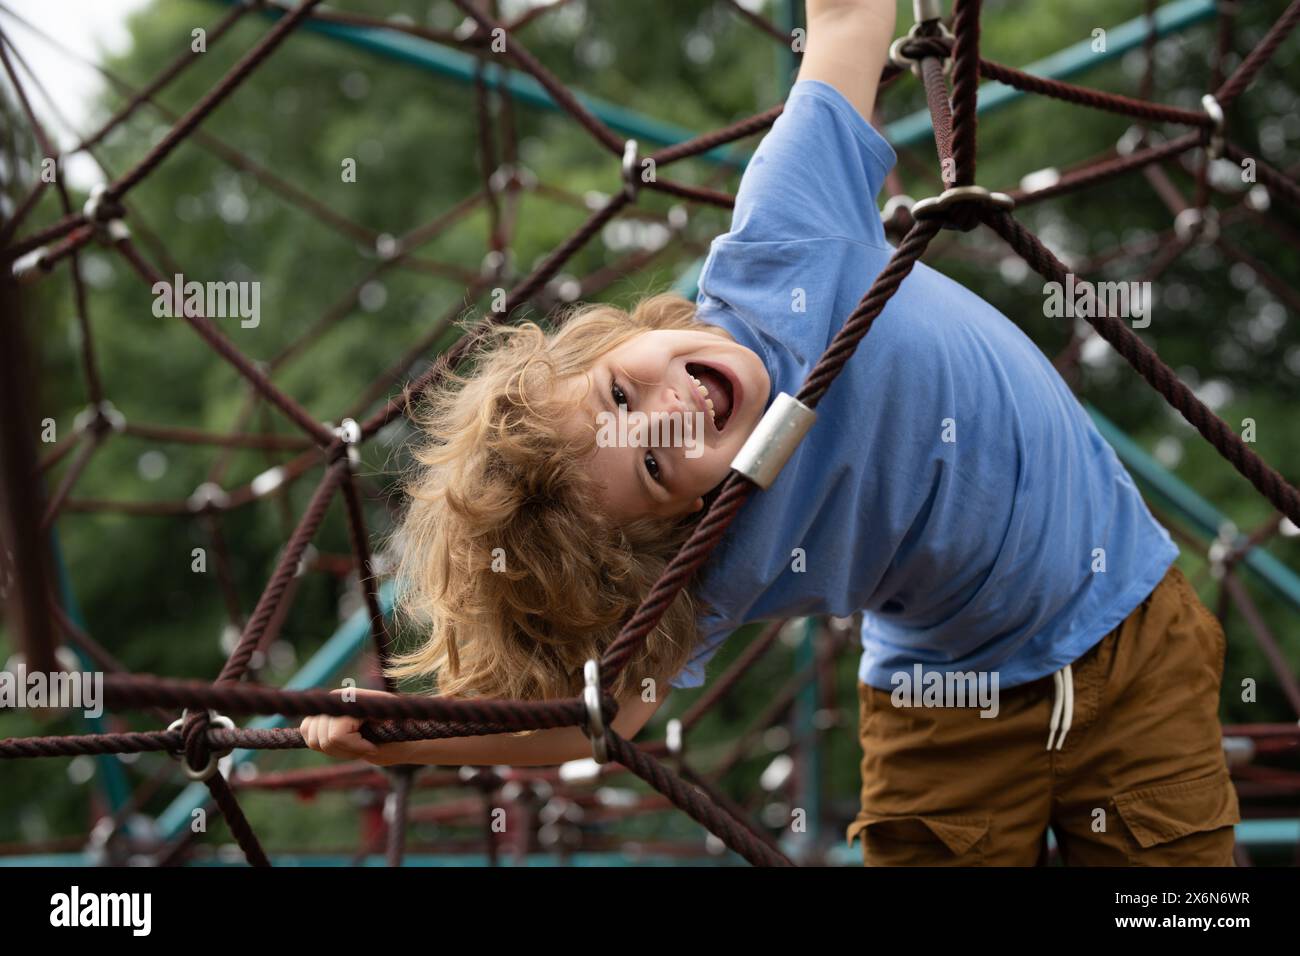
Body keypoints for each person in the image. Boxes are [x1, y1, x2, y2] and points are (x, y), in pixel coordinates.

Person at [301, 0, 1240, 865]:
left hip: (1124, 619)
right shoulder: (715, 560)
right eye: (659, 464)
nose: (672, 412)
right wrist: (416, 730)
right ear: (676, 531)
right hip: (937, 696)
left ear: (609, 338)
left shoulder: (786, 238)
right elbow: (601, 711)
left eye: (621, 396)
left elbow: (844, 20)